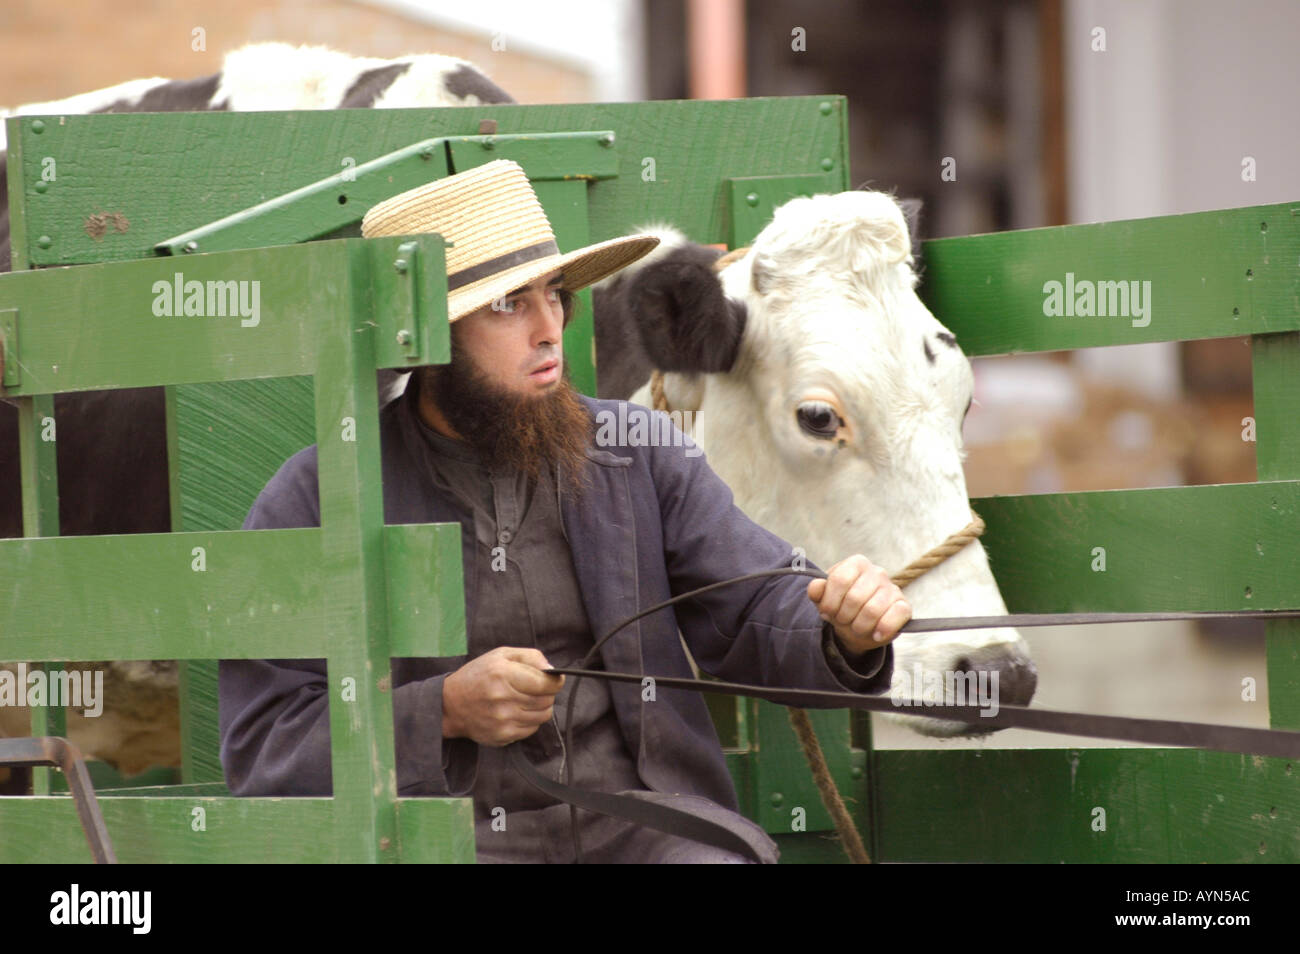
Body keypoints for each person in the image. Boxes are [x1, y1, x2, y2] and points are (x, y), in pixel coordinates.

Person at [218, 159, 911, 863]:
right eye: (507, 304)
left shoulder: (637, 451)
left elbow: (756, 597)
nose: (550, 328)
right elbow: (266, 747)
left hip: (646, 832)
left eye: (553, 294)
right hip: (445, 847)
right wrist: (445, 709)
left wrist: (842, 630)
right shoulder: (318, 496)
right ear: (423, 337)